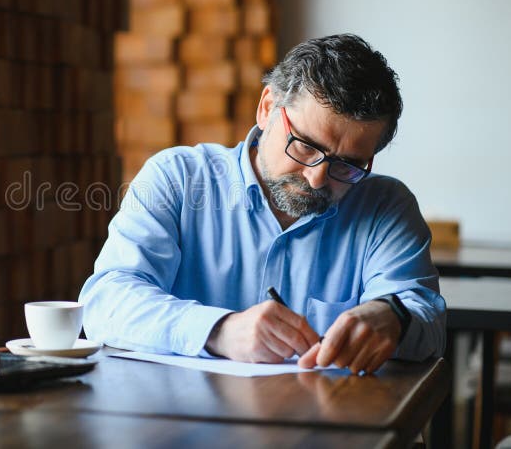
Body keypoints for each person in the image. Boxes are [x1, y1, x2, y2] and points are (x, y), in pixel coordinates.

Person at [79, 34, 446, 373]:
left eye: (347, 164)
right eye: (305, 145)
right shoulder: (176, 179)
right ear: (267, 107)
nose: (317, 177)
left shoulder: (386, 207)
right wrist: (219, 330)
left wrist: (393, 317)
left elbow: (427, 319)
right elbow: (107, 301)